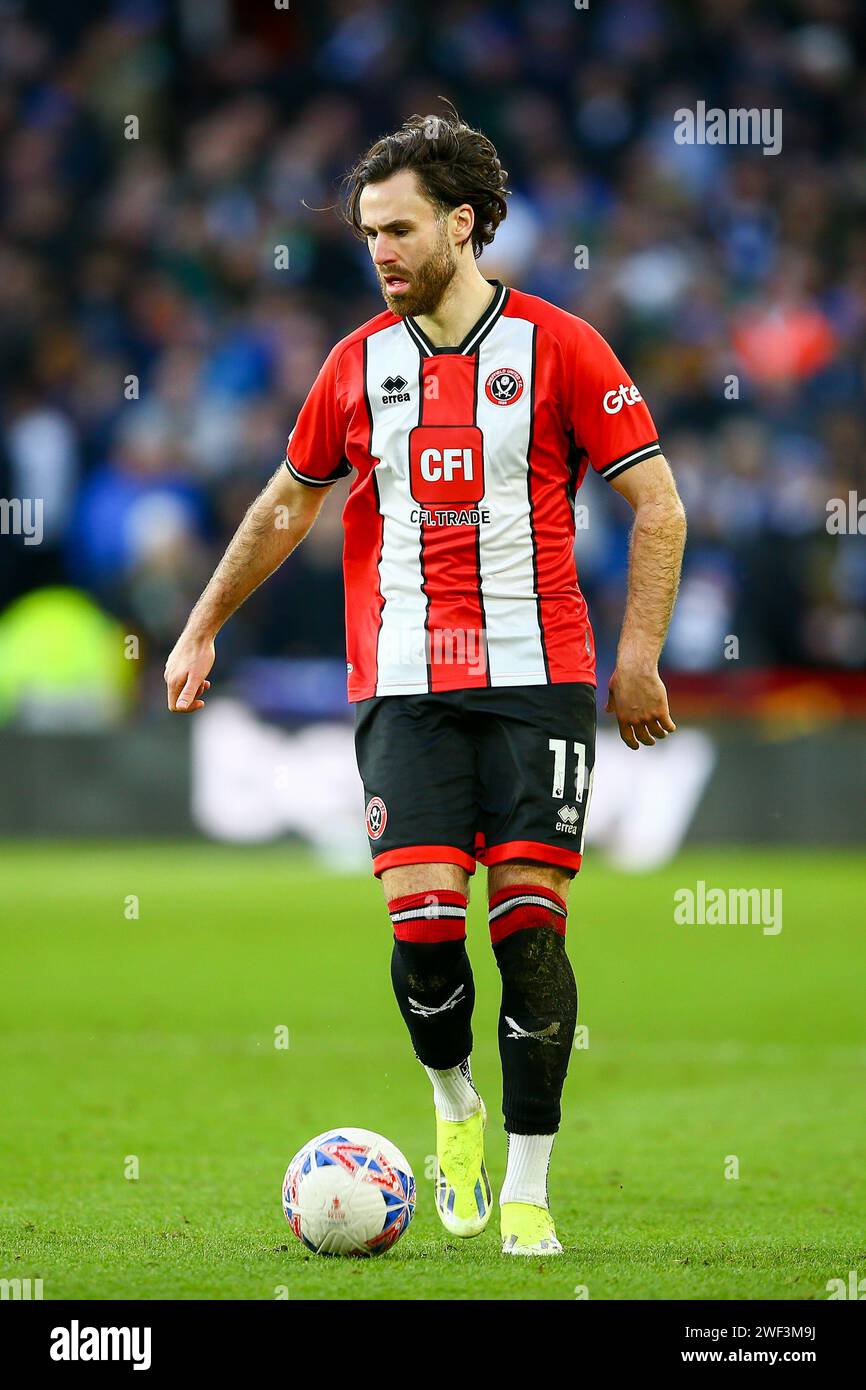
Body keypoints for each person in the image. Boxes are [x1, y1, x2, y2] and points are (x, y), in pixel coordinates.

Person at [165, 108, 686, 1256]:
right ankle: (454, 1104)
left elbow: (657, 501)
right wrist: (202, 624)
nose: (380, 252)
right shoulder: (355, 365)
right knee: (423, 925)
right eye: (365, 234)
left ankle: (532, 1186)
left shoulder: (561, 347)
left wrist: (639, 654)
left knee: (530, 929)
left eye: (398, 229)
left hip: (541, 674)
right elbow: (287, 501)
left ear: (462, 223)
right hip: (400, 681)